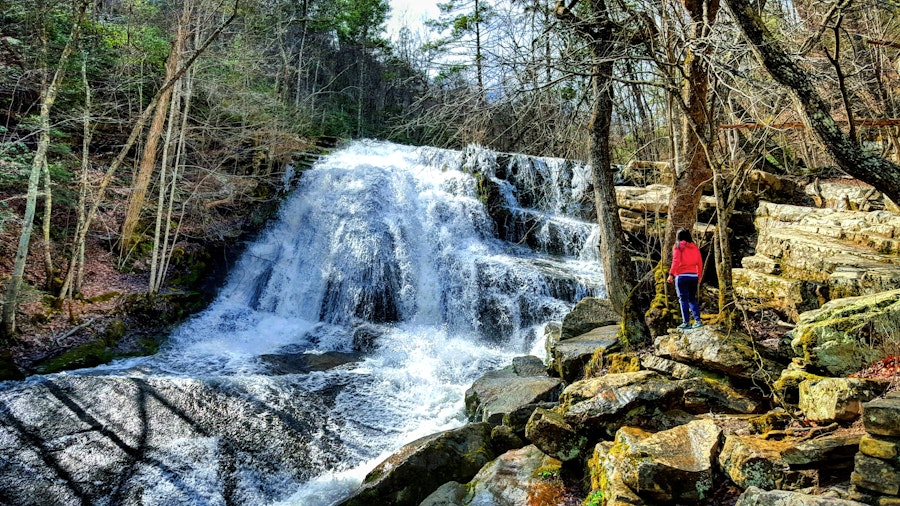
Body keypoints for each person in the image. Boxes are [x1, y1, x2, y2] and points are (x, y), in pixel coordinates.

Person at [666, 228, 703, 330]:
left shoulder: (678, 247)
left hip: (681, 276)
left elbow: (676, 261)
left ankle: (686, 322)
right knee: (692, 298)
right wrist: (699, 276)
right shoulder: (695, 247)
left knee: (683, 299)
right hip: (693, 276)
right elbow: (699, 263)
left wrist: (671, 274)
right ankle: (698, 320)